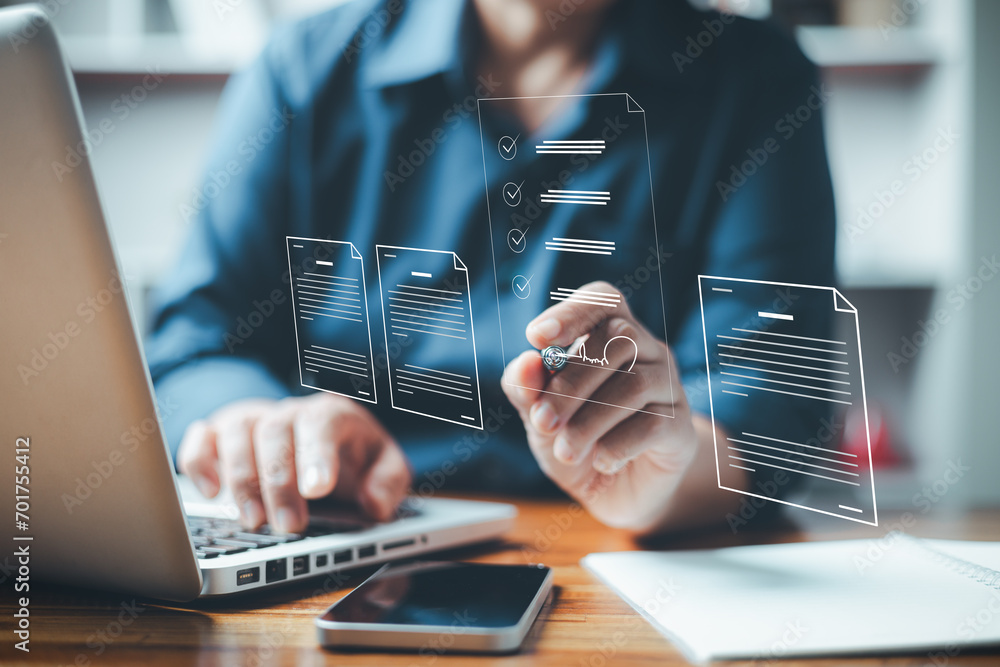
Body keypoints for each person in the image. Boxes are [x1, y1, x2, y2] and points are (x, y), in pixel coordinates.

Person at [146, 0, 835, 536]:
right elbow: (193, 344)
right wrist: (266, 428)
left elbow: (770, 397)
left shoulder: (755, 81)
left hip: (618, 554)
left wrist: (661, 476)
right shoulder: (303, 71)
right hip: (334, 528)